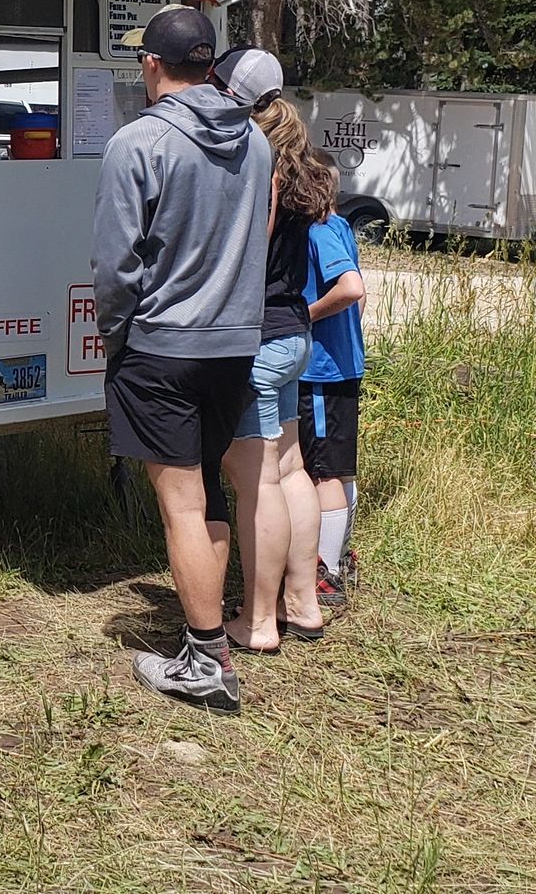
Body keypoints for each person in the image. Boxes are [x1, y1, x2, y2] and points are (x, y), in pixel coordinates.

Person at [93, 5, 271, 715]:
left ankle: (205, 661)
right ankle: (206, 643)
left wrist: (118, 336)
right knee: (212, 495)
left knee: (182, 505)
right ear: (211, 64)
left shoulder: (137, 143)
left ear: (151, 65)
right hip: (234, 345)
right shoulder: (256, 143)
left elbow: (115, 266)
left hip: (161, 346)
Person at [212, 49, 338, 652]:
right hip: (294, 332)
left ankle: (257, 622)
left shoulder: (259, 164)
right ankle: (303, 603)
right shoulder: (302, 161)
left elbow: (249, 252)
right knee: (290, 471)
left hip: (257, 338)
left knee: (255, 482)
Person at [301, 192, 369, 606]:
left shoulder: (318, 229)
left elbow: (351, 288)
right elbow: (362, 298)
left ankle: (323, 574)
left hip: (322, 370)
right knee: (340, 470)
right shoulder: (340, 225)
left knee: (323, 471)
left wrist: (302, 317)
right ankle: (338, 560)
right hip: (341, 364)